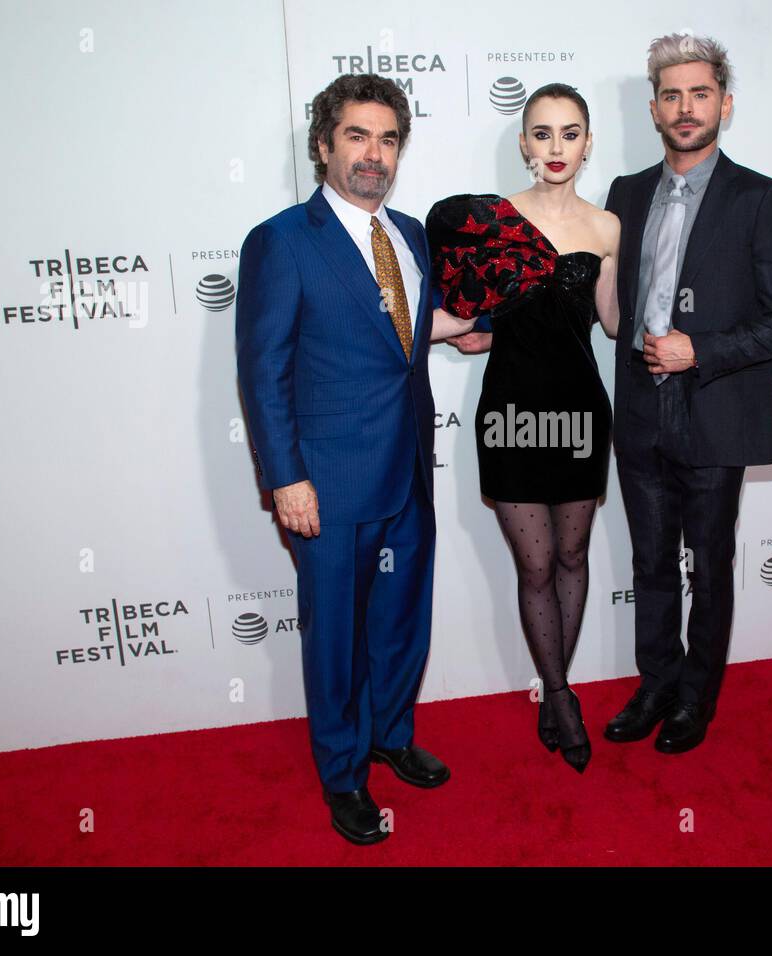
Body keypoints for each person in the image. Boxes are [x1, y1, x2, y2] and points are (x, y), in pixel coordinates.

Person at [235, 73, 475, 845]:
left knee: (402, 618)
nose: (375, 154)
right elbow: (263, 370)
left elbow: (394, 334)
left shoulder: (409, 233)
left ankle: (391, 735)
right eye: (357, 136)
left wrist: (458, 328)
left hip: (408, 467)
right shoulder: (281, 240)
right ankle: (342, 775)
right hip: (329, 483)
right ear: (323, 145)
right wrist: (285, 477)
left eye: (388, 139)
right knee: (336, 636)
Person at [601, 34, 772, 753]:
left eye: (700, 93)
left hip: (715, 409)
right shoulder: (626, 194)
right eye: (672, 95)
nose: (685, 108)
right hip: (640, 408)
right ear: (654, 109)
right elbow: (615, 303)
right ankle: (656, 683)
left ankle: (697, 697)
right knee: (650, 561)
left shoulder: (761, 197)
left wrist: (702, 350)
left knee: (709, 564)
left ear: (724, 103)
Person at [428, 84, 620, 773]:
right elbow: (461, 310)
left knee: (573, 557)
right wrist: (403, 328)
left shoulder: (606, 228)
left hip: (579, 412)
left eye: (570, 133)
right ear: (523, 144)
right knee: (535, 565)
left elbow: (611, 322)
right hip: (511, 412)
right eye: (542, 133)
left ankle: (553, 690)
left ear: (588, 143)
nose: (556, 147)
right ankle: (562, 696)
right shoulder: (492, 222)